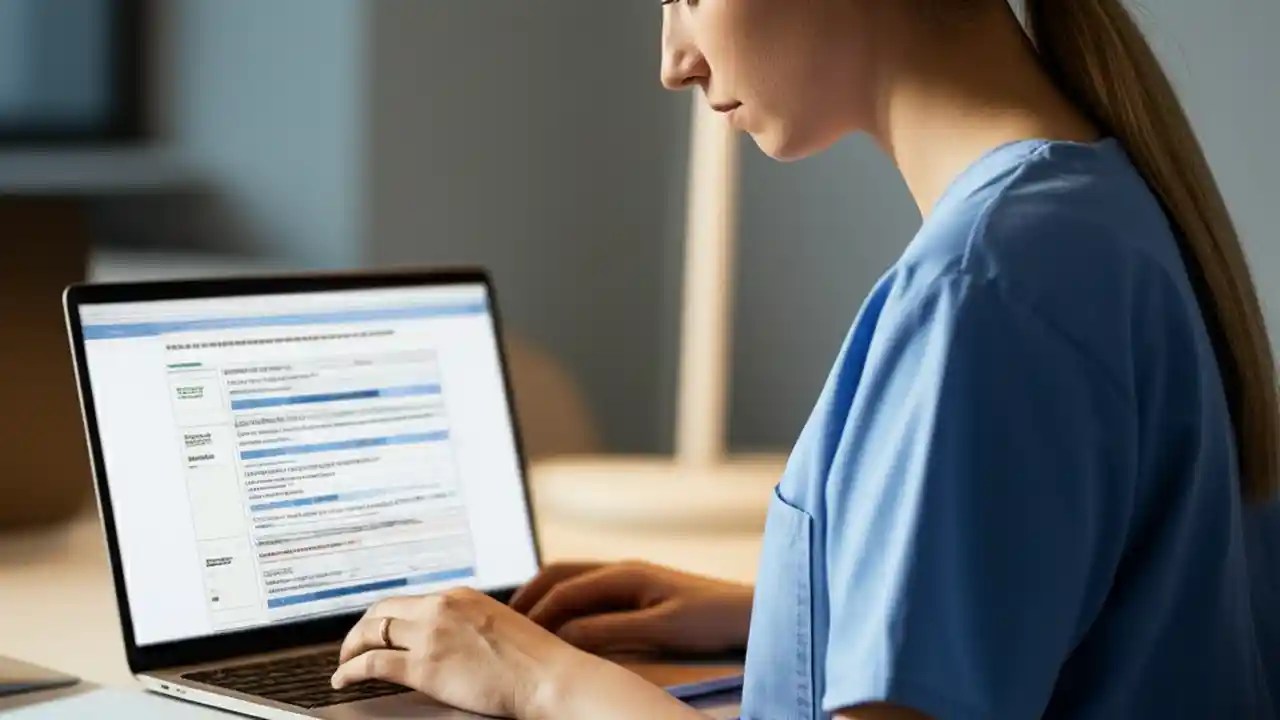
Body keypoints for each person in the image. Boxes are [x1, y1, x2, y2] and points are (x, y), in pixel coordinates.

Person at [329, 0, 1280, 717]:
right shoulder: (1099, 208)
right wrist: (791, 611)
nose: (673, 61)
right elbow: (1096, 608)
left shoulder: (983, 287)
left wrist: (543, 682)